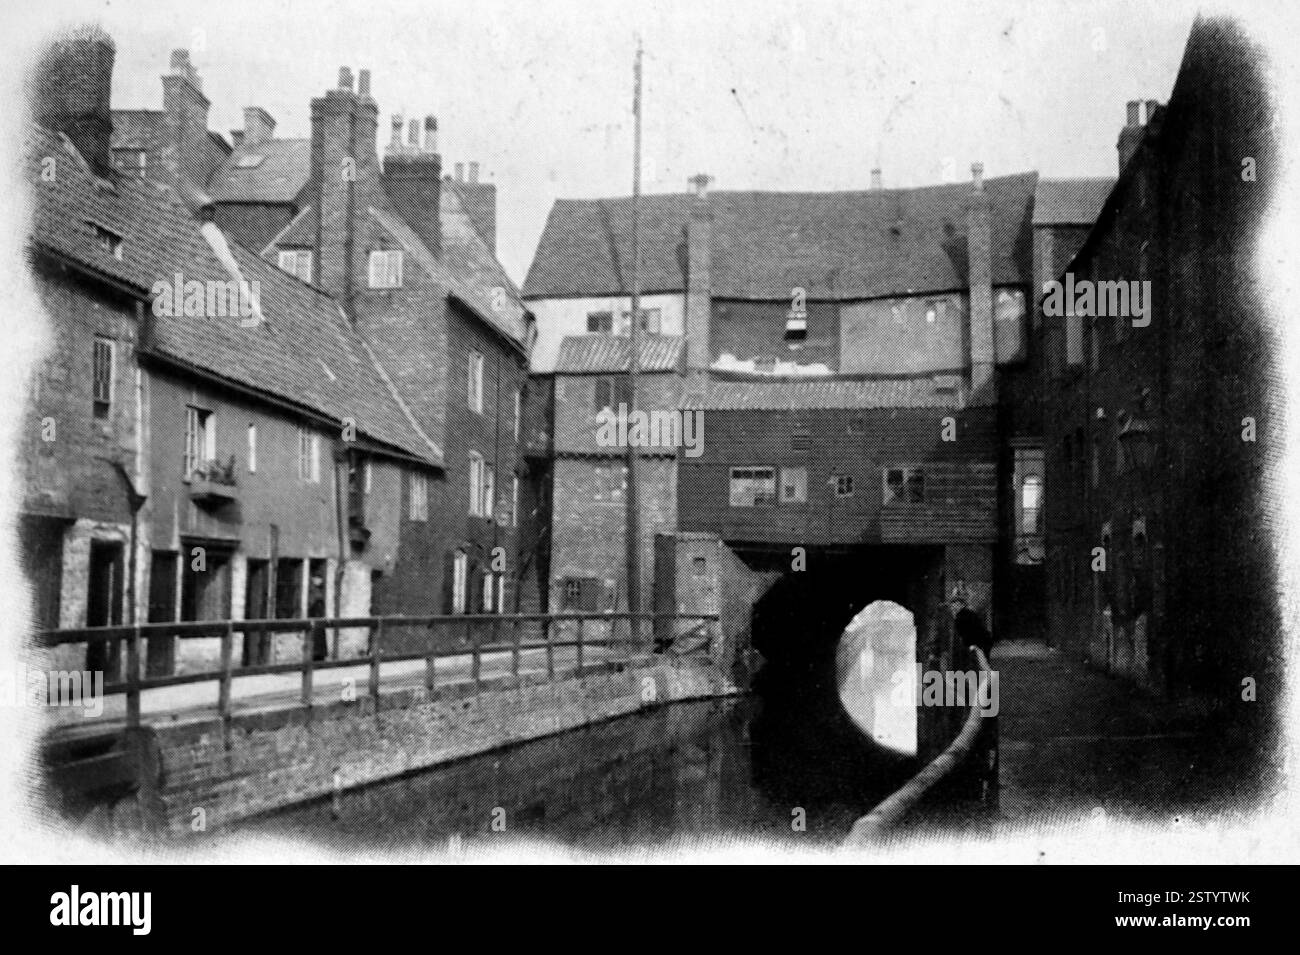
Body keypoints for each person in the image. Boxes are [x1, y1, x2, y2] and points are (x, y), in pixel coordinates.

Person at [950, 586, 993, 662]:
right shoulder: (967, 614)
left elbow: (967, 632)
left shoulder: (962, 616)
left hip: (977, 643)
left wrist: (971, 645)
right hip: (981, 641)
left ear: (961, 604)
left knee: (980, 663)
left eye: (956, 604)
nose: (953, 606)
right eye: (953, 604)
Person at [308, 576, 328, 661]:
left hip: (319, 620)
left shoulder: (318, 593)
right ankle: (316, 655)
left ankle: (319, 656)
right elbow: (311, 605)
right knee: (315, 638)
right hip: (314, 619)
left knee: (319, 638)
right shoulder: (312, 592)